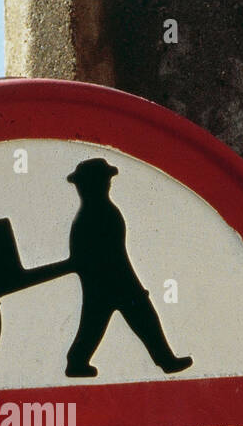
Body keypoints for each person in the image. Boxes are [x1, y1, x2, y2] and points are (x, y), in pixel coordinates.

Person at [63, 158, 192, 378]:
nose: (107, 184)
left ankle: (164, 359)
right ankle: (77, 361)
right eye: (103, 180)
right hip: (112, 282)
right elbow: (108, 256)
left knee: (102, 325)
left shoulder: (100, 211)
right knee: (131, 321)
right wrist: (131, 284)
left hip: (112, 282)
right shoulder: (94, 214)